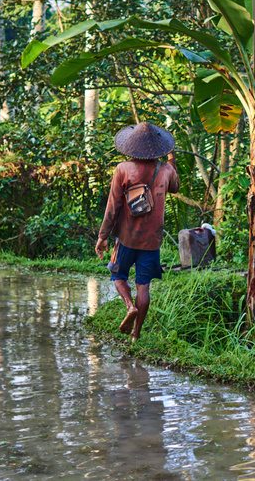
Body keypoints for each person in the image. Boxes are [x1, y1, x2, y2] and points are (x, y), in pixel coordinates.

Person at [95, 121, 179, 343]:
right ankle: (136, 334)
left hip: (126, 238)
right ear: (160, 148)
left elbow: (113, 206)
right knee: (145, 287)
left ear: (132, 146)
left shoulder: (123, 169)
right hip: (152, 240)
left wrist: (103, 236)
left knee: (117, 274)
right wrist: (171, 159)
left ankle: (129, 306)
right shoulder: (166, 170)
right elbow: (175, 187)